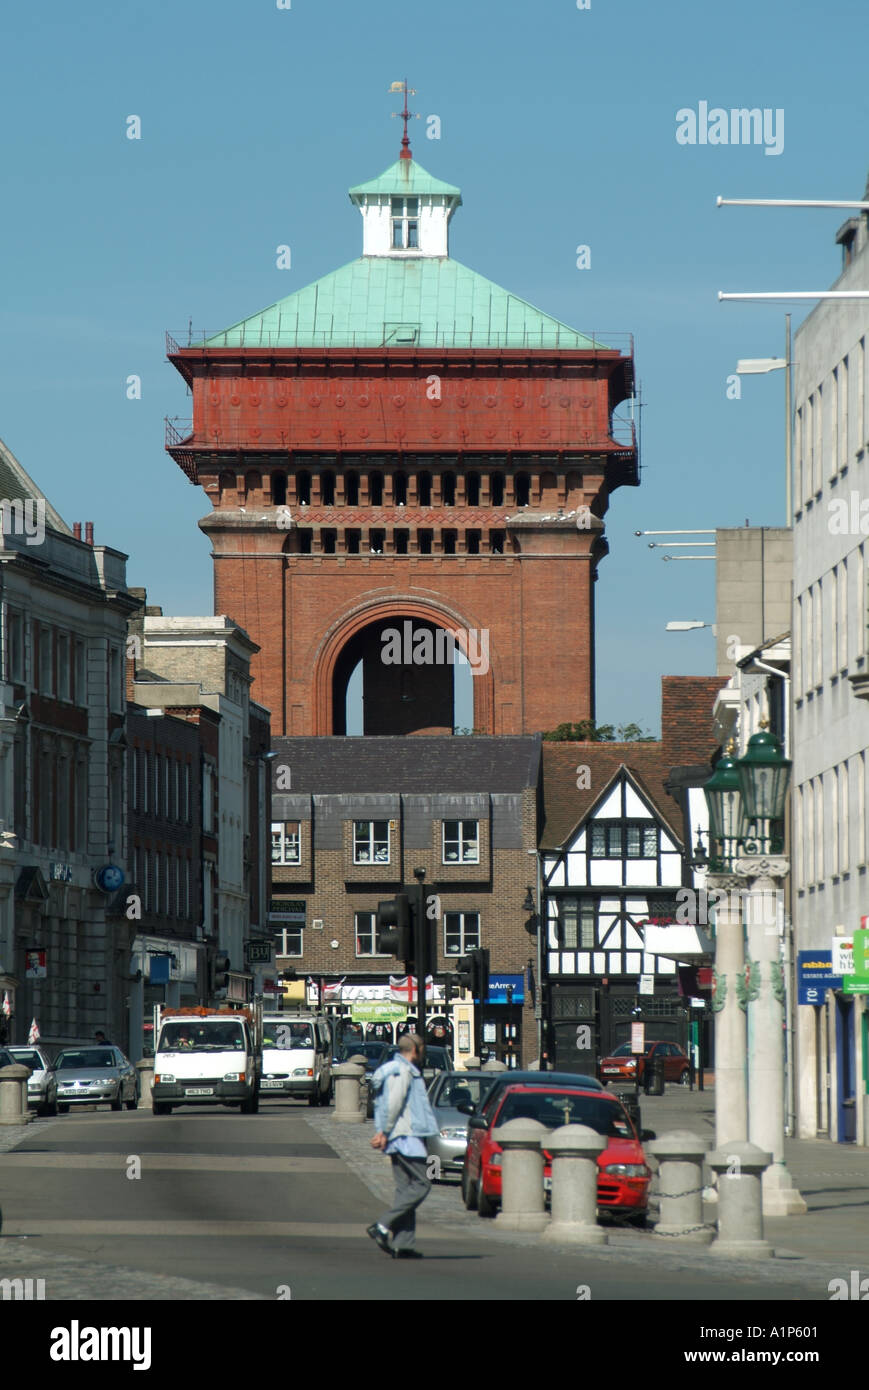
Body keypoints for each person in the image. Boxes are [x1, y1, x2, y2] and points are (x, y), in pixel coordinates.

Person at [366, 1033, 439, 1259]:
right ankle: (382, 1225)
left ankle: (402, 1244)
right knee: (421, 1184)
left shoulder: (397, 1069)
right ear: (415, 1050)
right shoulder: (403, 1071)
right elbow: (393, 1104)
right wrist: (384, 1132)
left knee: (404, 1188)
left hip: (399, 1136)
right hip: (406, 1136)